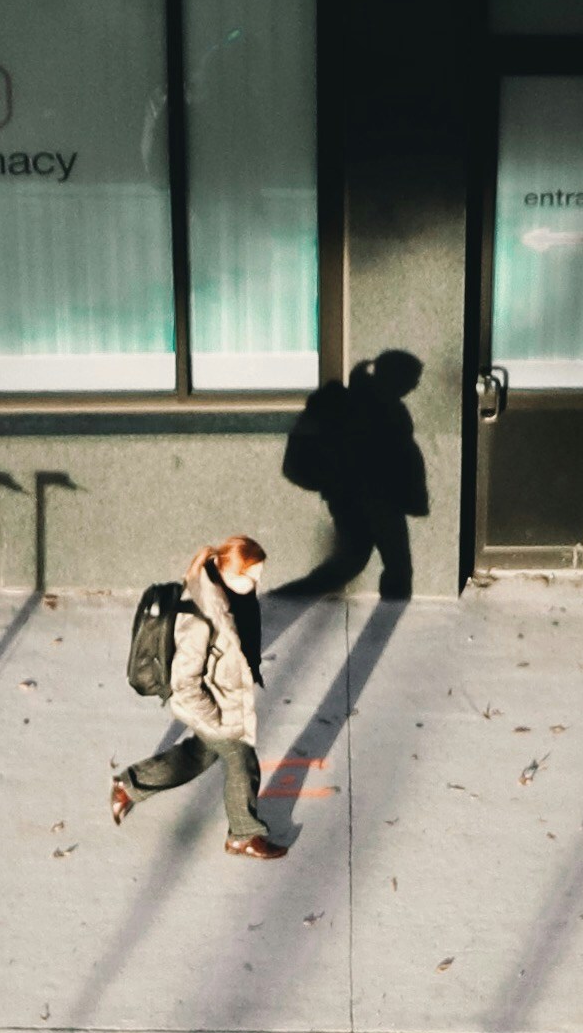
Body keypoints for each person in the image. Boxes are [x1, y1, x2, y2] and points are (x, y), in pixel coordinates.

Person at [111, 532, 287, 859]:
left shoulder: (231, 595)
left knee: (198, 756)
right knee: (241, 760)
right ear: (229, 572)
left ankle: (130, 785)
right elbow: (184, 683)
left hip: (225, 696)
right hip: (210, 705)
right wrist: (214, 719)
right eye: (252, 574)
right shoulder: (199, 615)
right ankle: (243, 835)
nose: (257, 581)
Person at [282, 347, 427, 603]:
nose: (414, 387)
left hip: (359, 497)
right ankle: (288, 597)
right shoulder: (372, 406)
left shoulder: (375, 402)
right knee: (393, 566)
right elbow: (381, 456)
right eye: (411, 380)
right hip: (374, 498)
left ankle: (289, 596)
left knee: (353, 562)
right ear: (394, 377)